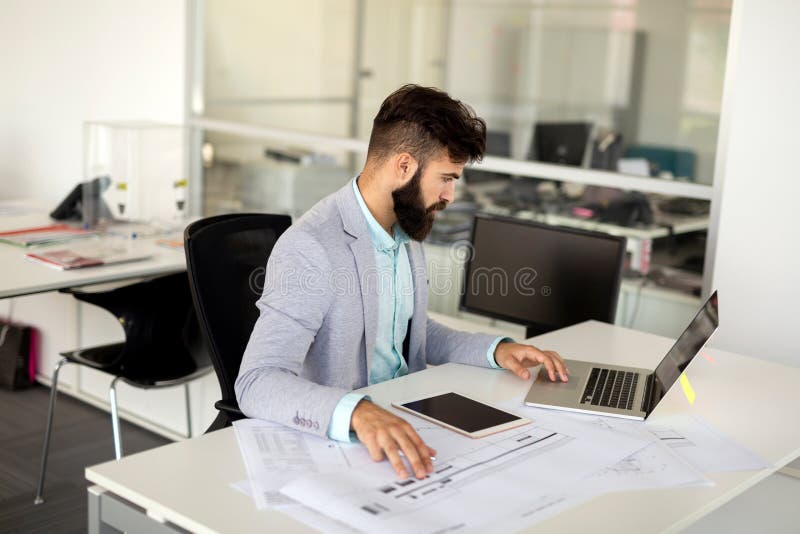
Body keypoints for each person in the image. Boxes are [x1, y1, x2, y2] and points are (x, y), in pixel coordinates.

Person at [236, 84, 569, 481]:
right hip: (348, 444)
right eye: (446, 178)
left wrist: (497, 350)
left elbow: (408, 327)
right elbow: (257, 382)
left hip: (410, 415)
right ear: (405, 166)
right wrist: (356, 411)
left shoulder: (403, 228)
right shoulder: (312, 247)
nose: (450, 195)